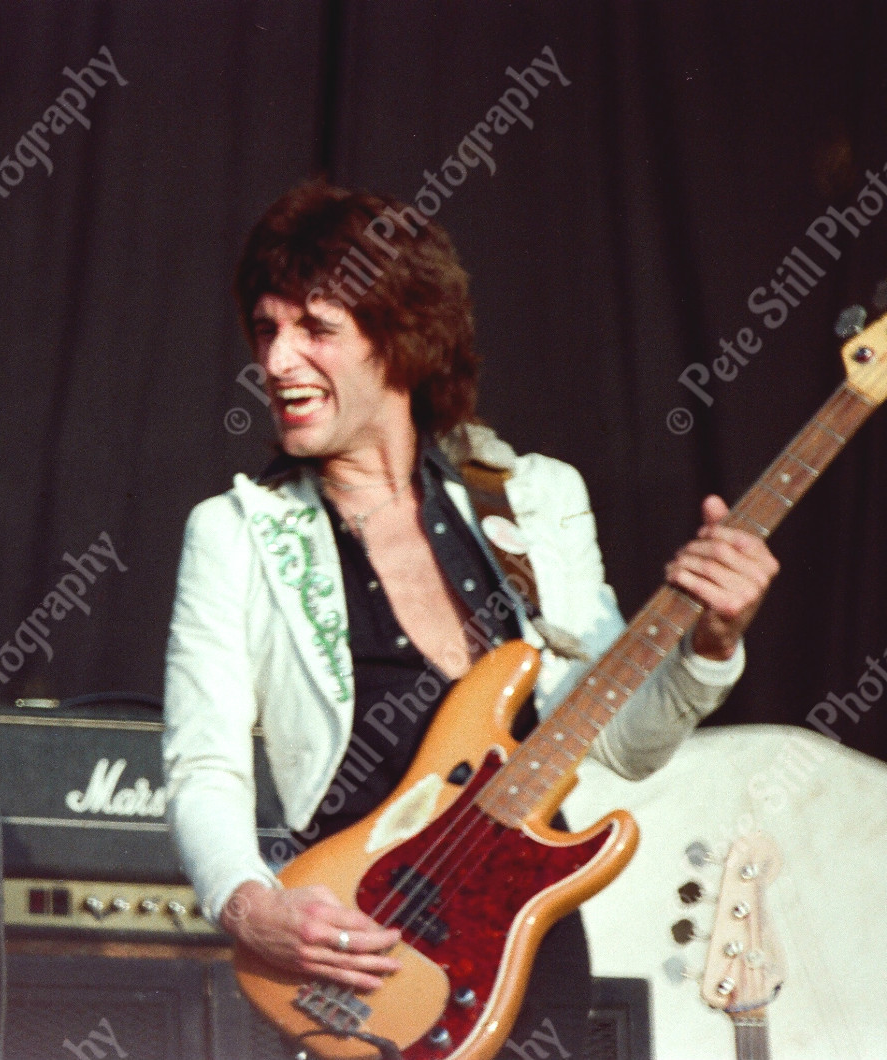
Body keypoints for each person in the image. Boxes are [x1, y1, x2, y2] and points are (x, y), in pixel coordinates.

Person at [162, 182, 779, 1057]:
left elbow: (621, 741)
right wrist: (251, 909)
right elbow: (203, 767)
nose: (278, 361)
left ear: (402, 342)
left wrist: (710, 643)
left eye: (317, 330)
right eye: (267, 330)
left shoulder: (533, 502)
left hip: (526, 951)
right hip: (352, 965)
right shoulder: (235, 535)